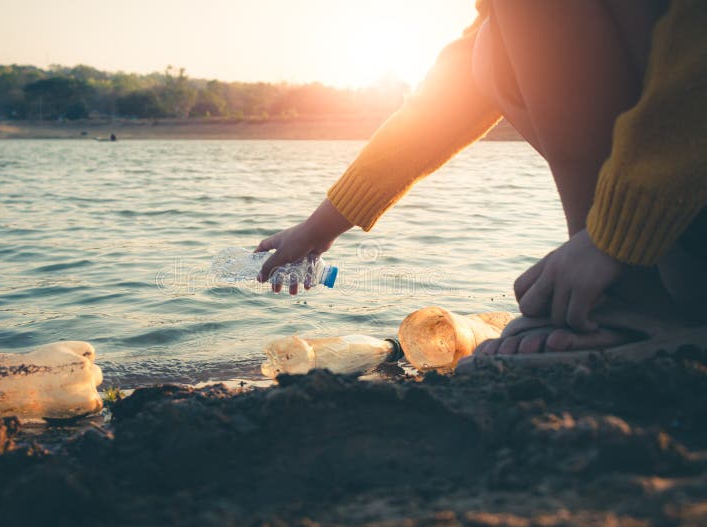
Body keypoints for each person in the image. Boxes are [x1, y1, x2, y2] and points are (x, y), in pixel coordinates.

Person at [255, 0, 707, 355]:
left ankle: (621, 299)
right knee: (494, 41)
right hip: (679, 248)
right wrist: (321, 226)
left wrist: (614, 235)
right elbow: (455, 90)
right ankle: (620, 289)